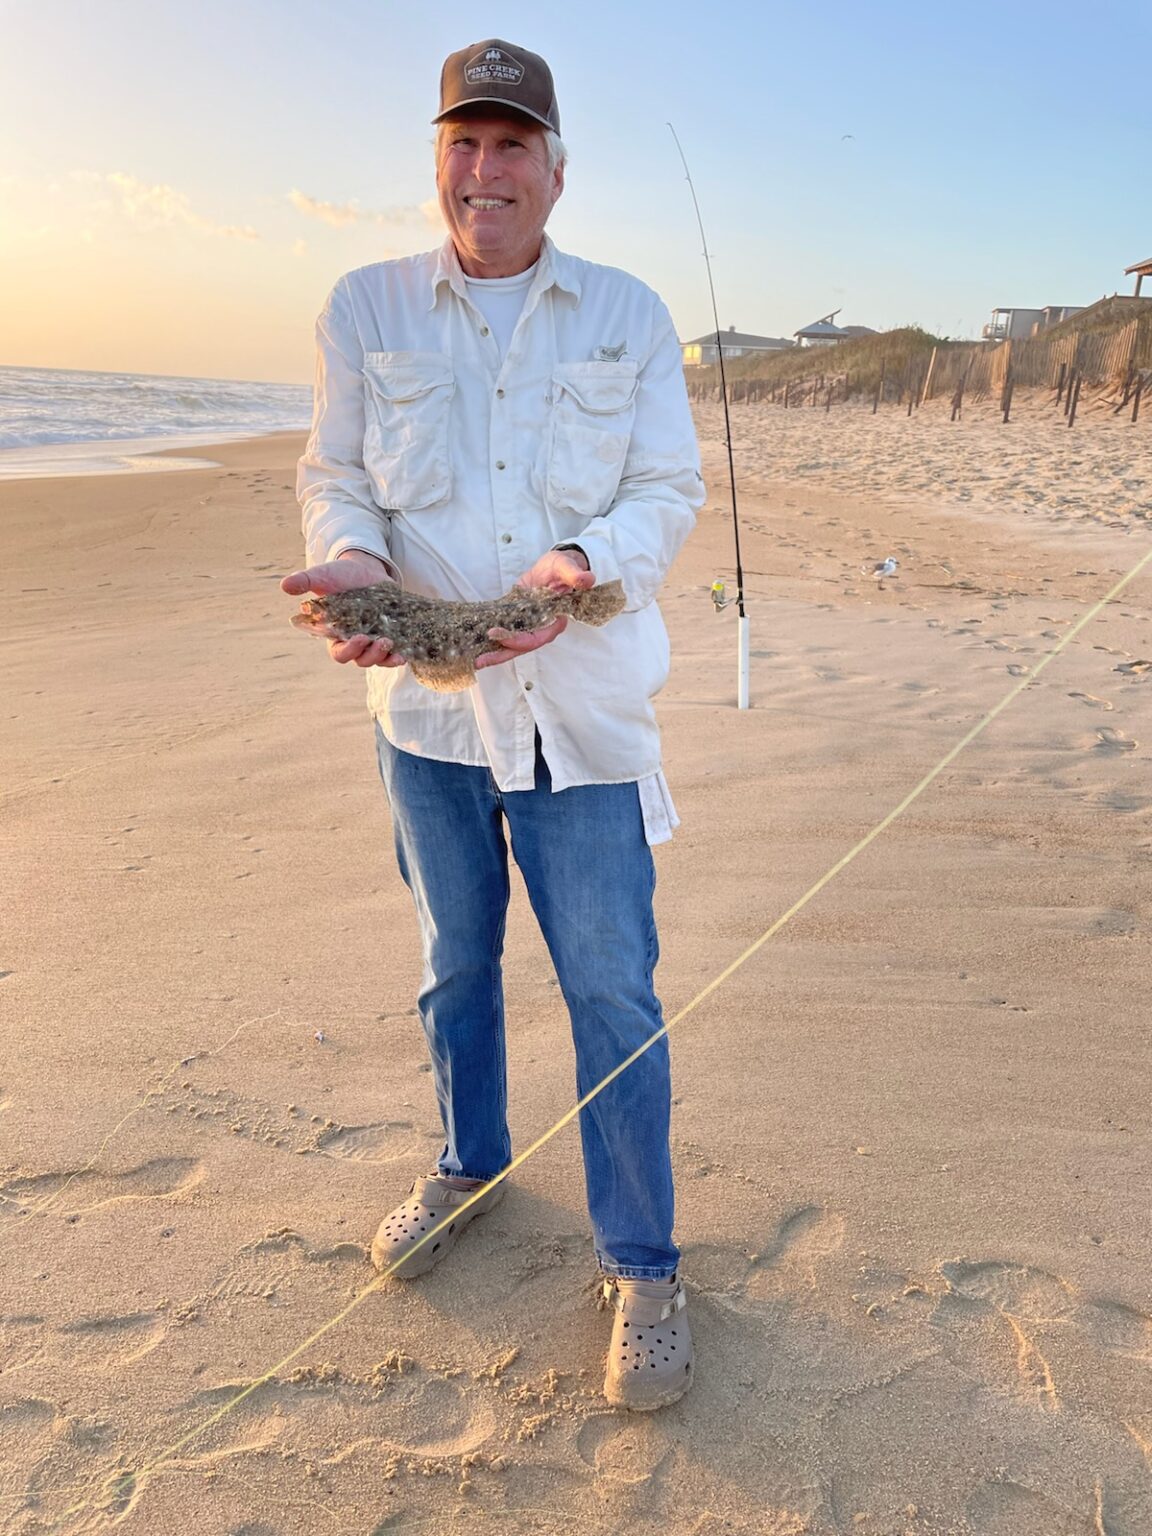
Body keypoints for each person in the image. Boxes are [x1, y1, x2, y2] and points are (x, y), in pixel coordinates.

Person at [282, 38, 705, 1411]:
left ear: (556, 169)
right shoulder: (367, 306)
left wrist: (579, 565)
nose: (486, 170)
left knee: (610, 987)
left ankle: (643, 1263)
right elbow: (336, 475)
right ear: (438, 164)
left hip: (578, 715)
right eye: (463, 144)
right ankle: (469, 1168)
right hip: (427, 722)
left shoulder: (628, 313)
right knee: (452, 967)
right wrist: (350, 558)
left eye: (512, 144)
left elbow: (665, 487)